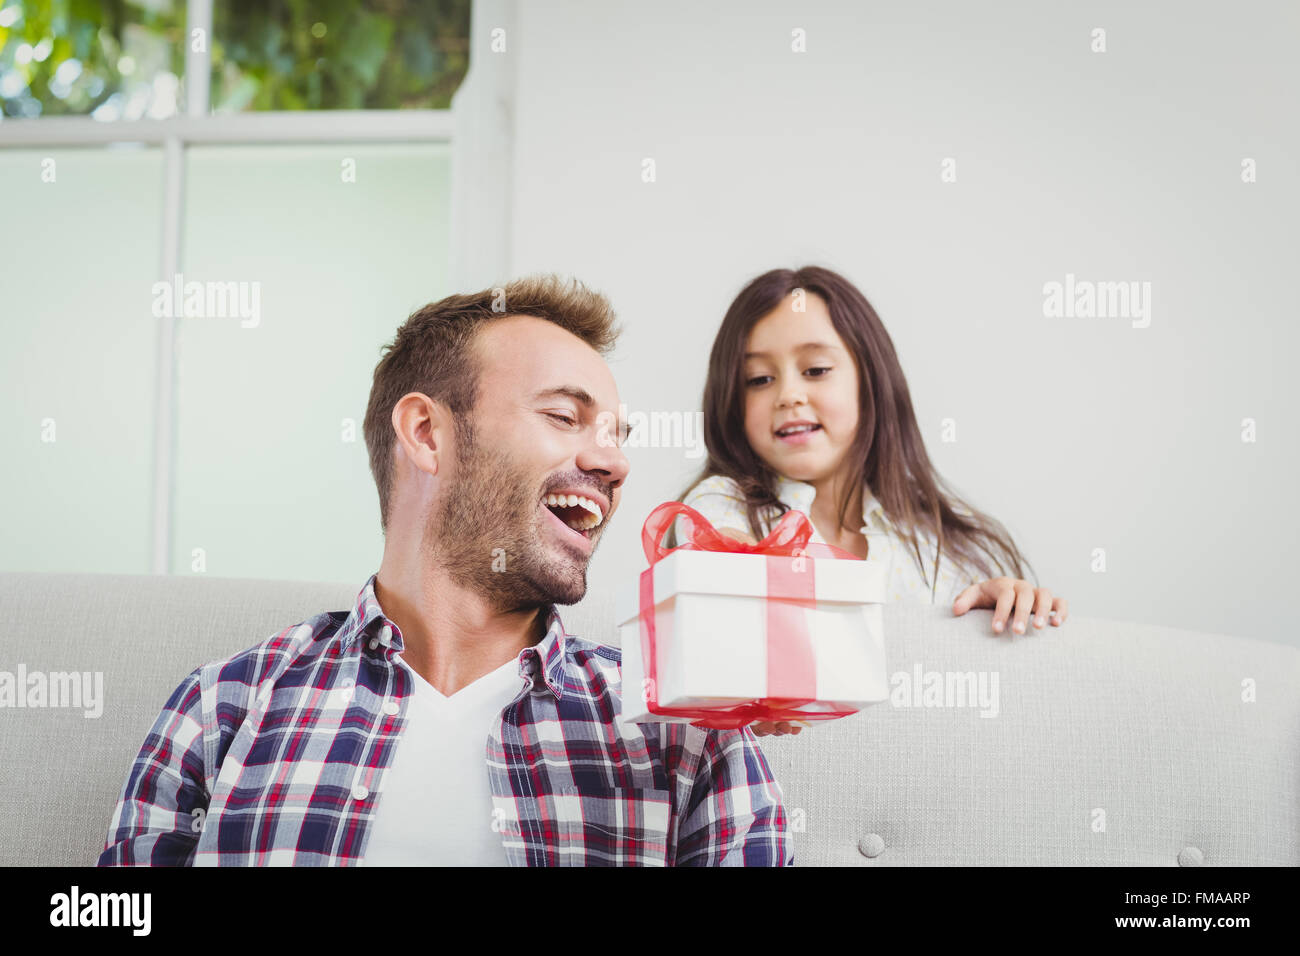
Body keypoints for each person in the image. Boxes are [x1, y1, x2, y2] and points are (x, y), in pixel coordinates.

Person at [97, 275, 792, 866]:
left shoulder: (685, 729)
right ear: (428, 434)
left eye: (614, 436)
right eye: (564, 415)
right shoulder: (222, 709)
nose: (614, 464)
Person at [674, 266, 1070, 737]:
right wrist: (730, 562)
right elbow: (719, 558)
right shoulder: (723, 502)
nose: (788, 395)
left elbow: (981, 690)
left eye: (816, 370)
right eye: (758, 379)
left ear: (871, 381)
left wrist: (1002, 601)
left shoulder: (941, 542)